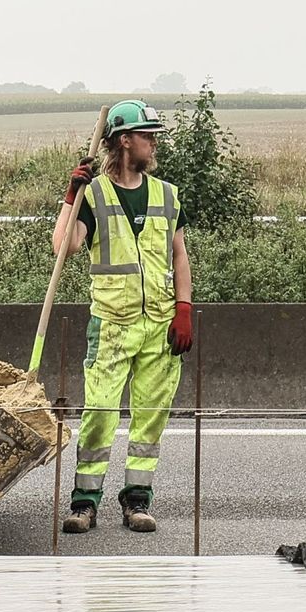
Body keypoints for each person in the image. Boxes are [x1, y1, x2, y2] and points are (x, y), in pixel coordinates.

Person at [50, 99, 194, 534]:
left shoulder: (167, 195)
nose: (153, 143)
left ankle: (137, 501)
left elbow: (179, 256)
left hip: (159, 325)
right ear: (124, 141)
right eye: (146, 135)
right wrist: (70, 197)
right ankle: (84, 504)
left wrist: (183, 307)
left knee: (151, 415)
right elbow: (64, 247)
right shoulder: (93, 195)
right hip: (112, 324)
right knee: (100, 413)